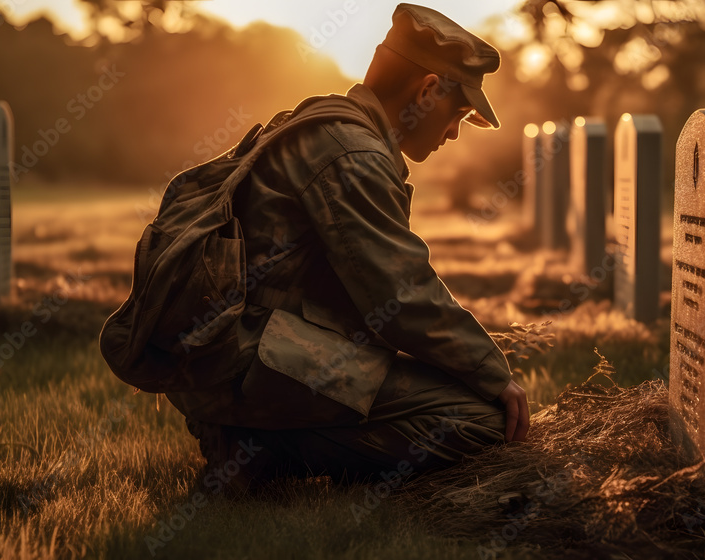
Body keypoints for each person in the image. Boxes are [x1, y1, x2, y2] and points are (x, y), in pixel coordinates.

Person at [166, 3, 529, 490]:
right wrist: (492, 374)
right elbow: (401, 297)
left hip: (246, 351)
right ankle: (258, 447)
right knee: (481, 423)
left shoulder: (331, 127)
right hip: (251, 361)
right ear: (426, 91)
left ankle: (252, 434)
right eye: (457, 113)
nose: (453, 131)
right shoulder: (352, 152)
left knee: (450, 391)